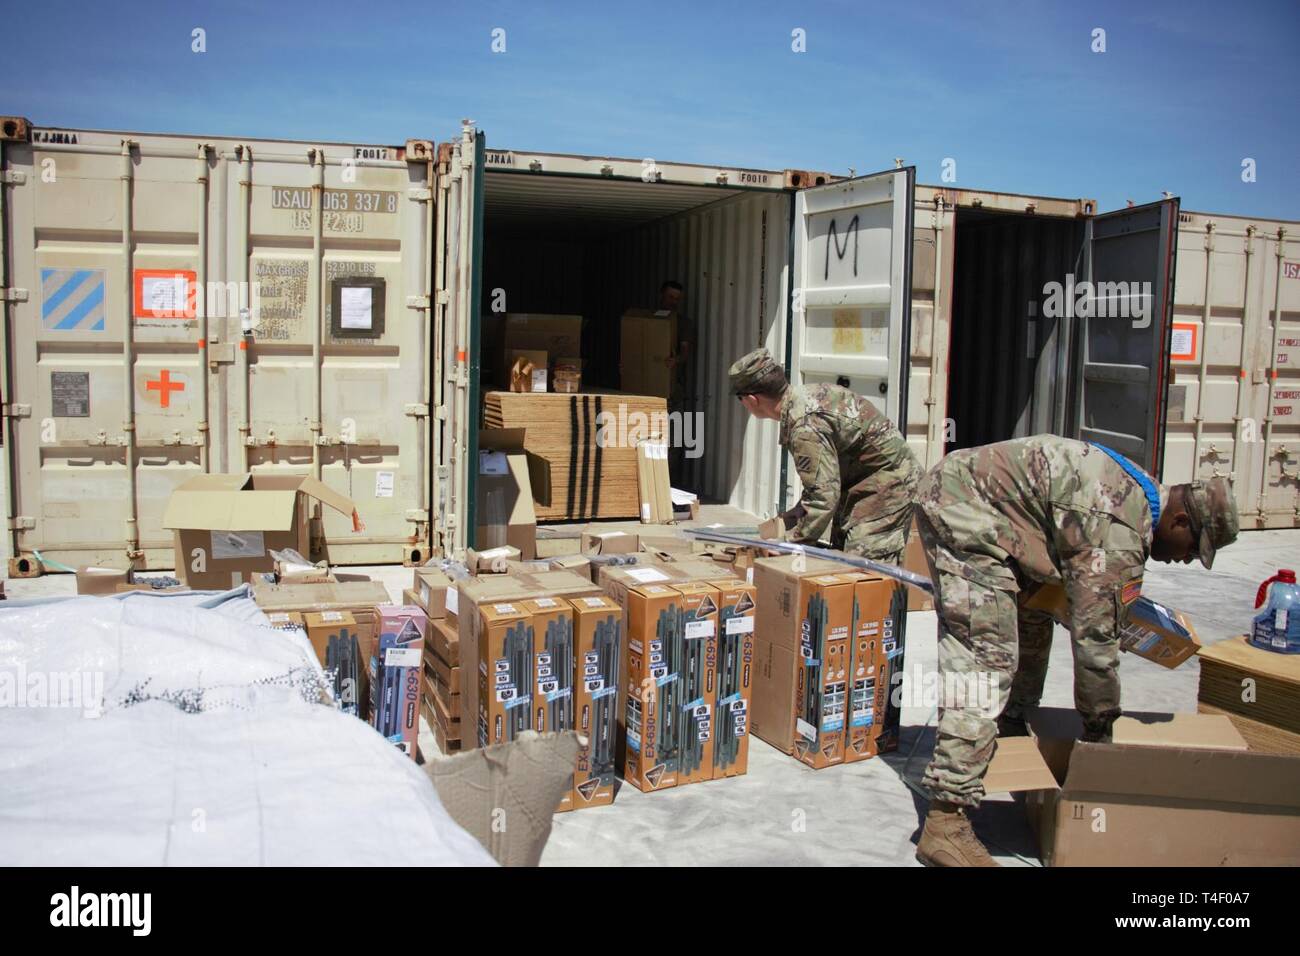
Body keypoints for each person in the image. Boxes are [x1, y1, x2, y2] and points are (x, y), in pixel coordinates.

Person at [912, 435, 1239, 866]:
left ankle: (1010, 728)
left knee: (1032, 619)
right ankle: (946, 819)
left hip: (998, 518)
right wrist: (1100, 731)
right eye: (1193, 550)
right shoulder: (1120, 529)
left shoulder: (1138, 495)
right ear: (1180, 521)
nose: (1186, 560)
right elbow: (1096, 647)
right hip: (964, 511)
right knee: (986, 657)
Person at [727, 347, 918, 563]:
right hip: (864, 482)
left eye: (740, 399)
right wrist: (796, 513)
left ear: (752, 400)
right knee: (840, 552)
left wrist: (792, 543)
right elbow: (823, 483)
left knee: (862, 568)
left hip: (889, 487)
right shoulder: (803, 398)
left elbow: (823, 497)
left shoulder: (804, 426)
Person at [659, 280, 696, 486]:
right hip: (645, 391)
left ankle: (668, 485)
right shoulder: (647, 320)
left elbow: (684, 353)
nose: (673, 302)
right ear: (661, 296)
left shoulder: (683, 323)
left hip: (673, 391)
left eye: (677, 299)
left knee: (672, 439)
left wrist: (676, 361)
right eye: (670, 297)